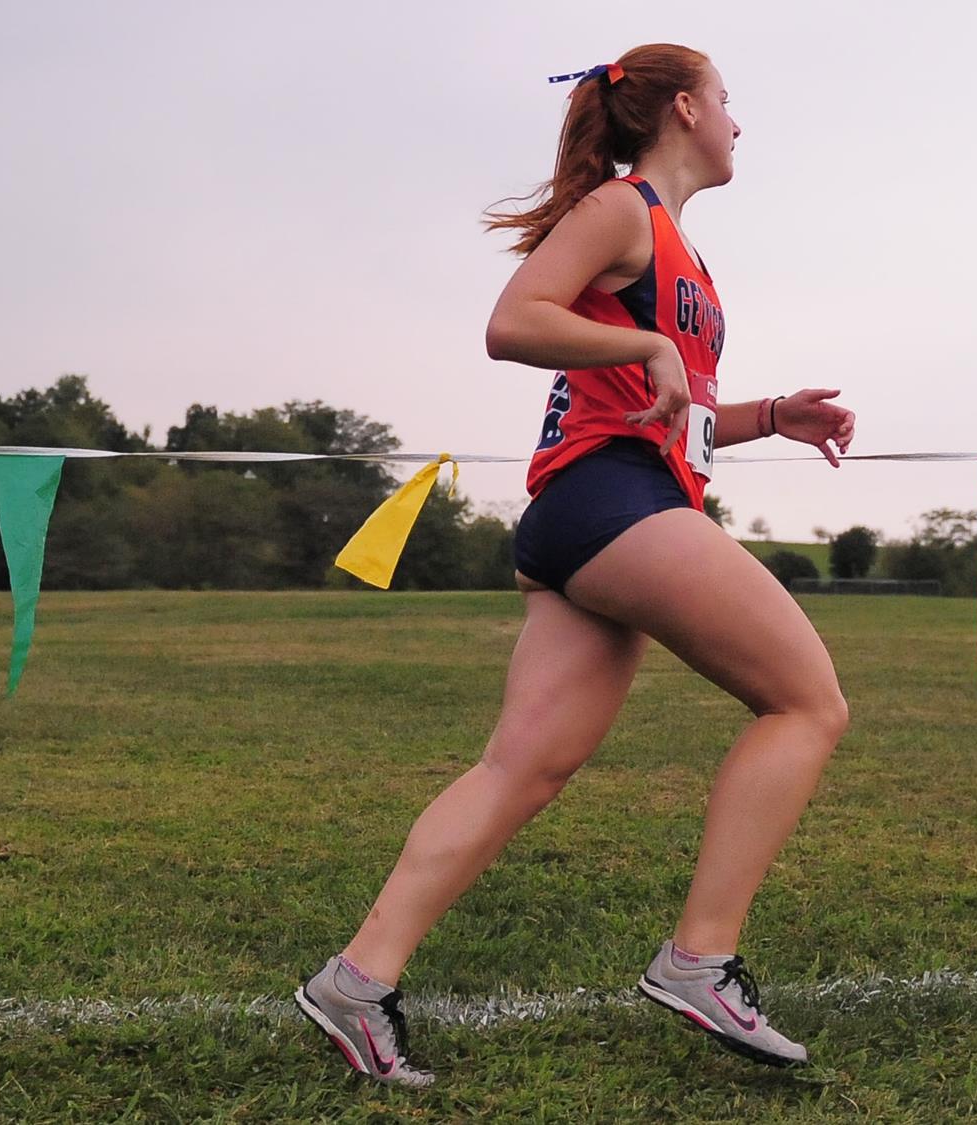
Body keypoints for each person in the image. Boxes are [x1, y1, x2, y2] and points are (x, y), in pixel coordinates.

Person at [293, 44, 857, 1086]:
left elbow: (666, 410)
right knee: (806, 706)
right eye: (729, 102)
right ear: (683, 108)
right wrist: (643, 354)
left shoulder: (678, 249)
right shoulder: (621, 209)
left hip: (586, 514)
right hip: (612, 503)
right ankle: (700, 961)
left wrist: (769, 416)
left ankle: (355, 982)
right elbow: (512, 324)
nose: (739, 123)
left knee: (522, 767)